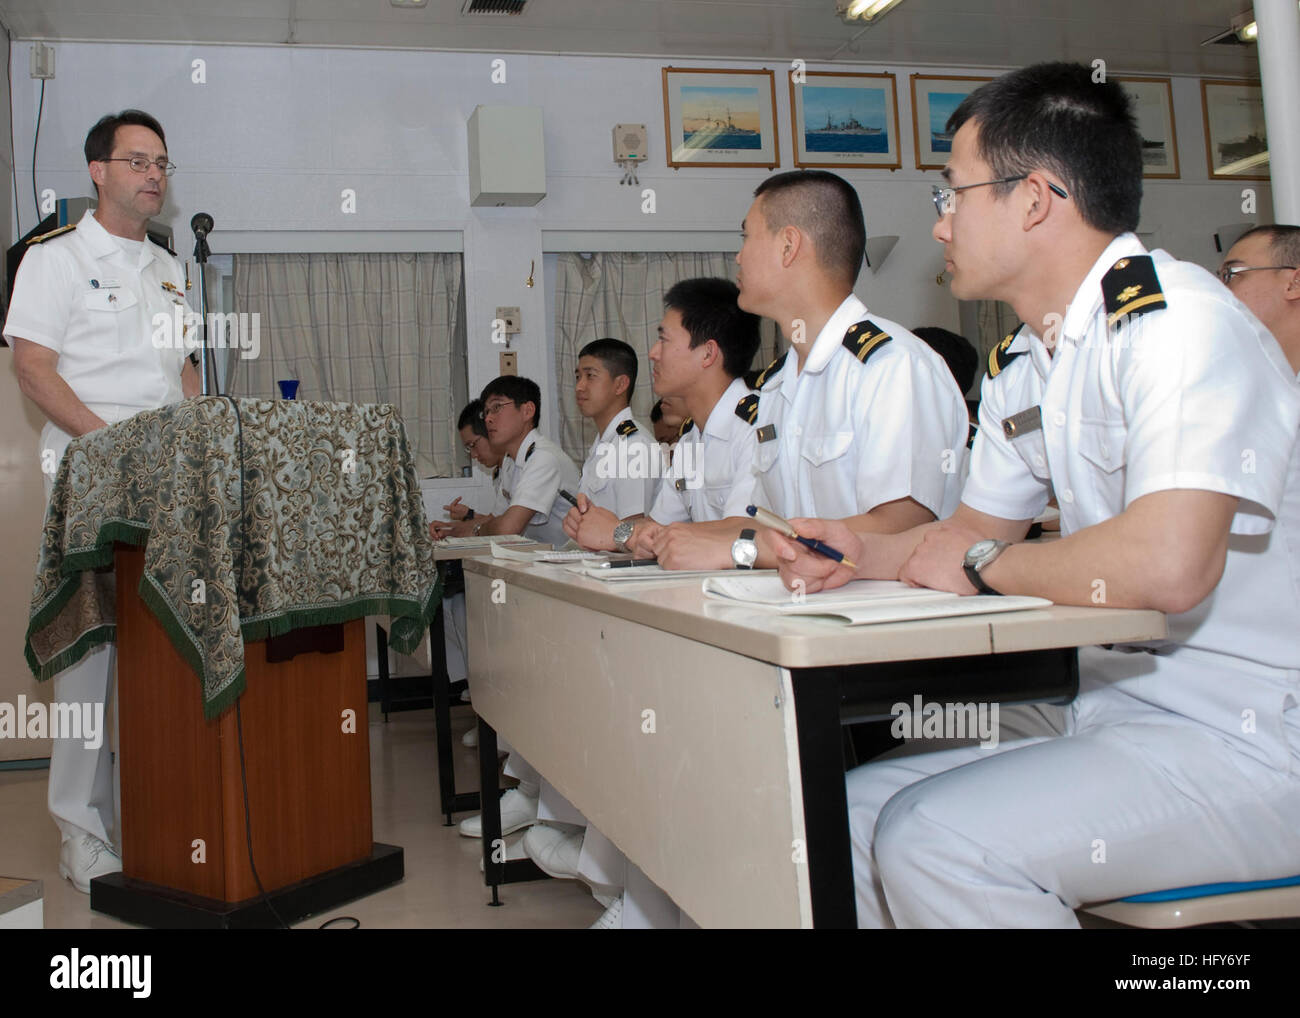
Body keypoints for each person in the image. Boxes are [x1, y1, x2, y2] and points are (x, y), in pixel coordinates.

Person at [771, 63, 1300, 928]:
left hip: (1246, 735)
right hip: (1108, 711)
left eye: (953, 193)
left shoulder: (1178, 325)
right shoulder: (1032, 359)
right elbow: (969, 531)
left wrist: (981, 563)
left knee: (935, 841)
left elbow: (1168, 566)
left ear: (1037, 199)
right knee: (842, 822)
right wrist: (858, 551)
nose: (939, 223)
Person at [5, 109, 199, 893]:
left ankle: (148, 812)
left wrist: (196, 440)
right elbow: (33, 367)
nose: (153, 174)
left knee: (160, 653)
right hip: (91, 474)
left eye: (162, 163)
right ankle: (78, 831)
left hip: (167, 481)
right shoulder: (53, 259)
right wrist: (110, 445)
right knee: (88, 654)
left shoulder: (169, 266)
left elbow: (182, 372)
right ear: (97, 171)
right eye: (137, 161)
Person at [644, 170, 970, 571]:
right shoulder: (778, 387)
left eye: (746, 237)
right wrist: (677, 536)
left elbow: (902, 525)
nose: (739, 256)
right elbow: (764, 522)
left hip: (886, 618)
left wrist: (736, 550)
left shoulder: (891, 366)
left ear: (788, 246)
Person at [453, 375, 579, 841]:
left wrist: (476, 529)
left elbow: (507, 527)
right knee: (514, 677)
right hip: (539, 581)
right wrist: (475, 526)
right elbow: (499, 523)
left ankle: (532, 795)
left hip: (567, 584)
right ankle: (526, 786)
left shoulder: (542, 457)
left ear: (528, 411)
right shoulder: (513, 461)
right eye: (486, 409)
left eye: (499, 407)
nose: (488, 418)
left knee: (534, 687)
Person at [563, 277, 761, 558]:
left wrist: (620, 532)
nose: (653, 354)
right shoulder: (693, 438)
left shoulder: (756, 428)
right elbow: (657, 526)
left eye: (664, 340)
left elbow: (740, 535)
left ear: (708, 353)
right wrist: (597, 524)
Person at [572, 337, 659, 517]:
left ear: (620, 384)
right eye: (578, 377)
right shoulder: (604, 443)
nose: (579, 387)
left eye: (590, 376)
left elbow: (633, 530)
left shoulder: (634, 447)